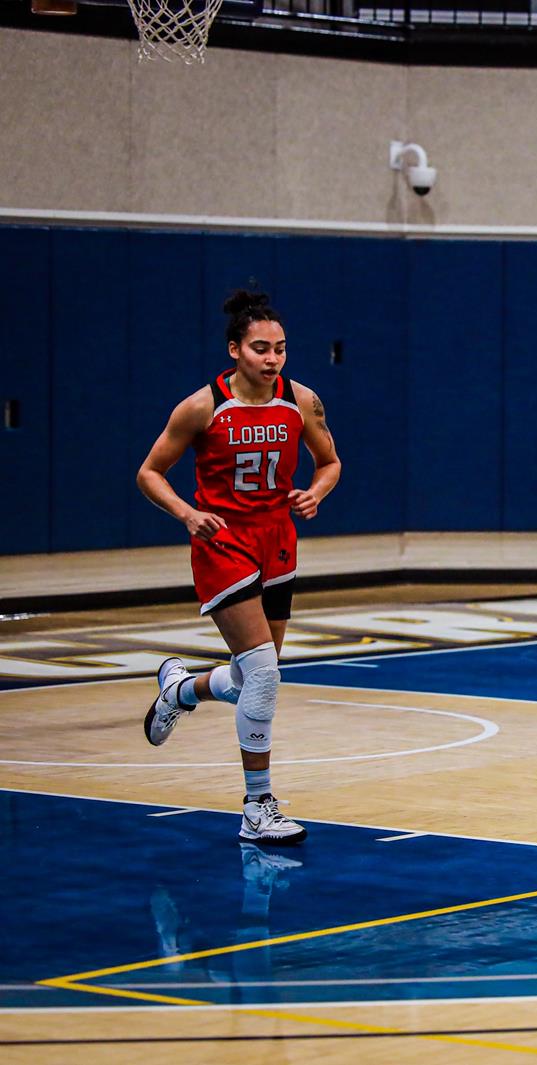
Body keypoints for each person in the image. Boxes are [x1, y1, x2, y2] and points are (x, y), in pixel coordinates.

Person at [135, 290, 342, 843]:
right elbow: (149, 473)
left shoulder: (302, 400)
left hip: (278, 540)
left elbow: (330, 462)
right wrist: (186, 512)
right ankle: (257, 806)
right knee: (267, 677)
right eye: (260, 349)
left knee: (255, 675)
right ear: (235, 350)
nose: (272, 359)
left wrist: (315, 493)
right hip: (223, 541)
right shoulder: (202, 406)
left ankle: (179, 690)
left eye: (280, 349)